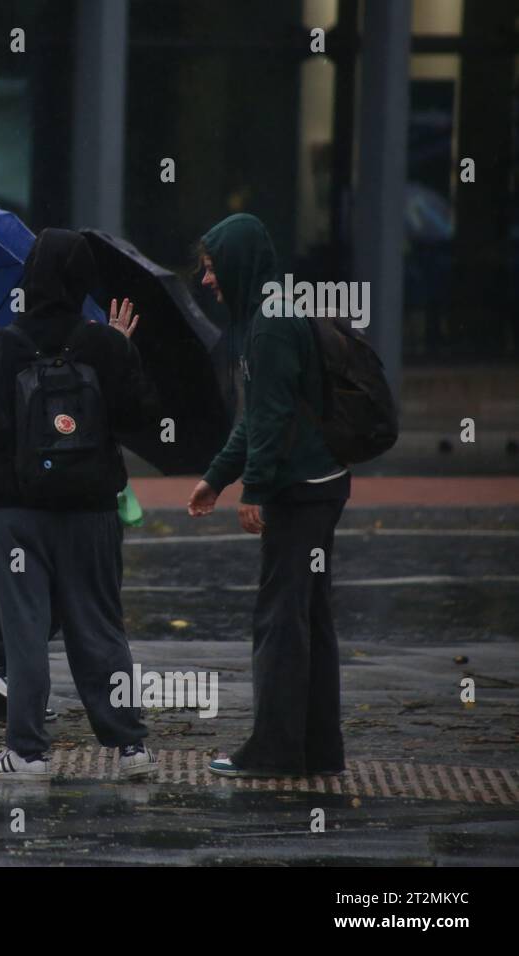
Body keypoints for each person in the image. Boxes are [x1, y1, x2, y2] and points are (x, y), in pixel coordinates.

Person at [0, 228, 160, 780]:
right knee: (100, 624)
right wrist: (122, 348)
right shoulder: (102, 343)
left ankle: (27, 751)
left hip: (18, 513)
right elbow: (140, 420)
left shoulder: (5, 343)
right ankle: (131, 747)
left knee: (24, 630)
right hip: (92, 510)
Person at [187, 213, 350, 778]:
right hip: (316, 483)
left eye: (210, 268)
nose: (206, 280)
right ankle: (318, 749)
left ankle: (277, 750)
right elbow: (254, 418)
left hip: (301, 490)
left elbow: (274, 417)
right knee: (308, 616)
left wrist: (253, 489)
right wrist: (217, 476)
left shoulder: (272, 322)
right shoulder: (270, 311)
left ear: (236, 262)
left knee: (280, 620)